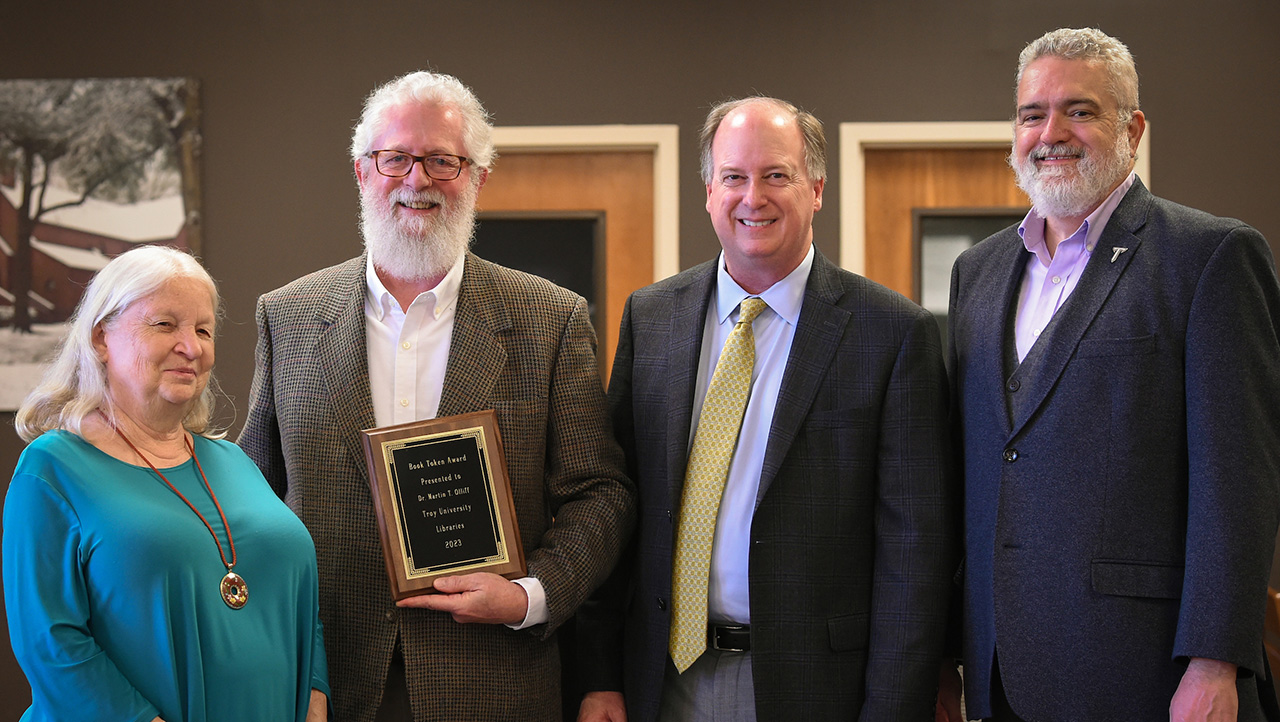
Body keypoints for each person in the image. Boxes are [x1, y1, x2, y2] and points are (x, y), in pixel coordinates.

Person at [238, 70, 634, 721]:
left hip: (493, 679)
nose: (416, 180)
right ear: (362, 172)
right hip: (324, 684)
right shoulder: (288, 317)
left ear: (477, 178)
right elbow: (251, 496)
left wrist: (530, 594)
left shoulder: (550, 319)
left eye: (442, 161)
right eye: (395, 159)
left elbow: (601, 492)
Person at [575, 97, 956, 720]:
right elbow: (613, 504)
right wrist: (599, 675)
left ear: (816, 189)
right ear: (708, 191)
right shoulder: (653, 318)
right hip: (662, 682)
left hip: (818, 691)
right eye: (734, 176)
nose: (754, 196)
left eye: (777, 175)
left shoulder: (891, 334)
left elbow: (914, 556)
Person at [943, 27, 1280, 722]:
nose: (1052, 132)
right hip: (1000, 669)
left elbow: (1240, 482)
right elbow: (978, 470)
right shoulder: (975, 274)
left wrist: (1216, 661)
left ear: (1134, 127)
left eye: (1081, 110)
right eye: (1033, 114)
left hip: (1146, 671)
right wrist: (950, 652)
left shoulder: (1210, 257)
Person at [3, 245, 328, 722]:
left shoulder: (235, 461)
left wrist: (315, 697)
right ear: (100, 338)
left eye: (203, 329)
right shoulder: (53, 469)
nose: (191, 347)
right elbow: (50, 641)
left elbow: (300, 605)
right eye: (164, 324)